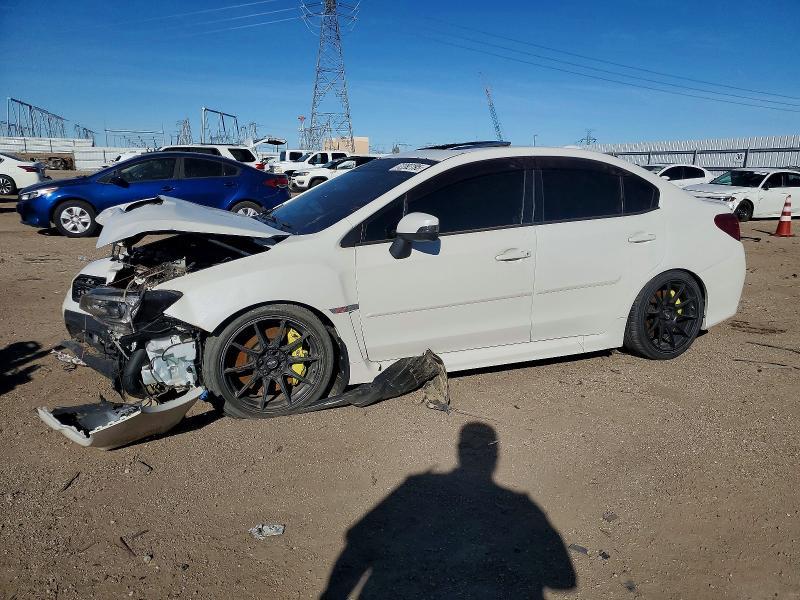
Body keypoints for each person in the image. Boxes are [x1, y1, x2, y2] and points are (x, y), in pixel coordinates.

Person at [321, 422, 576, 599]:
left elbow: (356, 543)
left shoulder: (414, 487)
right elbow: (563, 580)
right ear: (496, 456)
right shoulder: (522, 506)